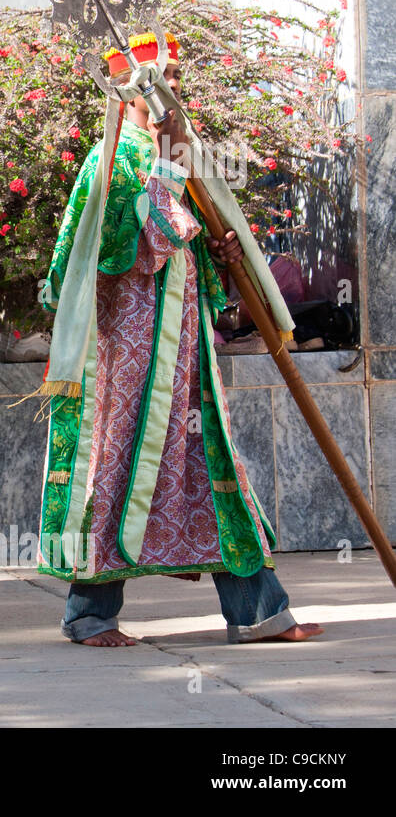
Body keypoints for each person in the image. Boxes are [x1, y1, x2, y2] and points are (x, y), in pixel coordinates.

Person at [37, 32, 323, 646]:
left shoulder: (179, 155)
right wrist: (168, 171)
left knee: (214, 466)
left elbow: (187, 245)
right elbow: (121, 251)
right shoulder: (110, 159)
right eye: (158, 88)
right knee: (115, 470)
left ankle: (259, 612)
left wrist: (220, 256)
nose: (170, 98)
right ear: (133, 94)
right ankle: (89, 615)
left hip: (184, 354)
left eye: (173, 86)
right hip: (128, 355)